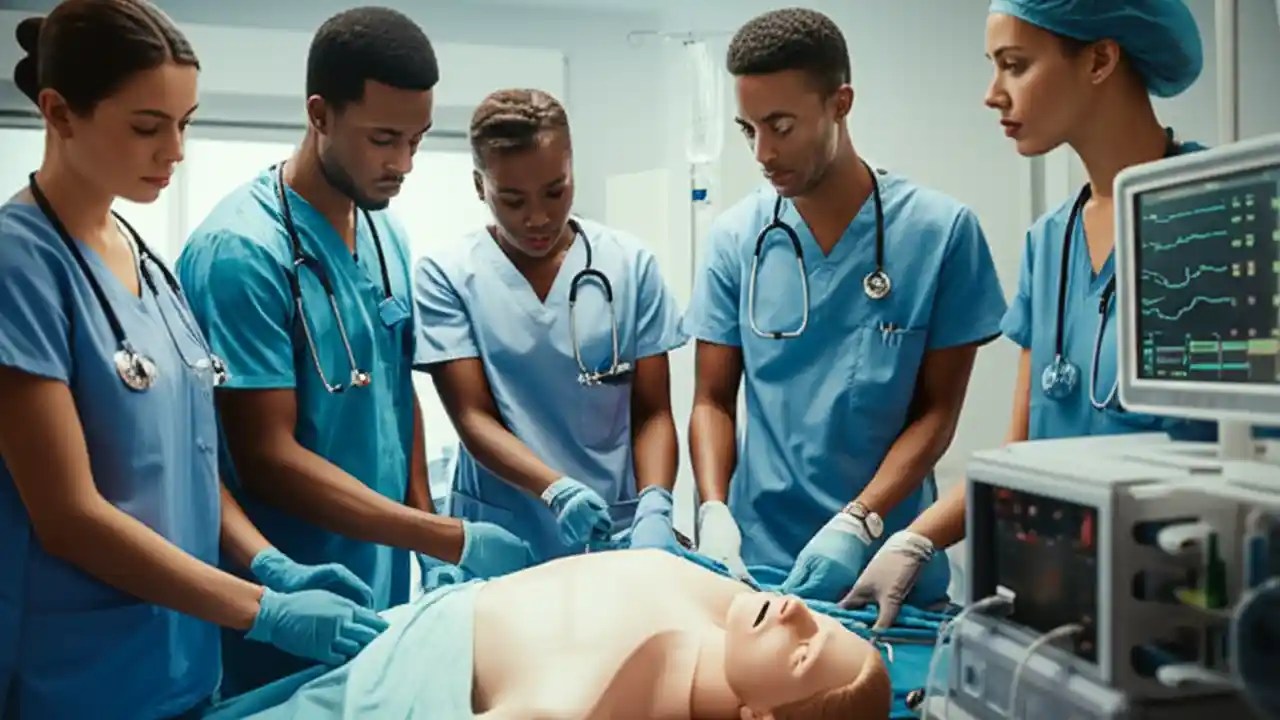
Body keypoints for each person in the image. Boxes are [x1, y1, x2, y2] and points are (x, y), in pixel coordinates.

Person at [0, 2, 391, 718]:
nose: (175, 151)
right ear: (59, 113)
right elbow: (69, 516)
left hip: (184, 671)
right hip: (79, 682)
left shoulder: (151, 264)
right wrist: (263, 609)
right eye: (148, 127)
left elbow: (189, 467)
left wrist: (269, 563)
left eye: (185, 123)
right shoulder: (19, 267)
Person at [175, 8, 534, 696]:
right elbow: (266, 459)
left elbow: (397, 403)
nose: (401, 163)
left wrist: (429, 547)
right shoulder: (242, 252)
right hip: (287, 607)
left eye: (417, 140)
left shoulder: (384, 235)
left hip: (380, 596)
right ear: (320, 114)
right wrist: (444, 535)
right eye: (382, 139)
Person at [843, 0, 1216, 629]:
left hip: (1191, 606)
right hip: (1067, 604)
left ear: (1099, 59)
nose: (993, 94)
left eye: (1014, 66)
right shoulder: (1052, 243)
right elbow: (1019, 455)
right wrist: (910, 539)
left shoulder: (1224, 217)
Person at [685, 8, 1007, 604]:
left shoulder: (940, 233)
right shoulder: (737, 239)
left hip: (889, 567)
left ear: (840, 103)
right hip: (758, 569)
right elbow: (712, 399)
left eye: (781, 125)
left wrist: (860, 522)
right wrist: (712, 509)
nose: (762, 151)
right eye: (747, 128)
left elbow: (937, 413)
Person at [412, 88, 687, 562]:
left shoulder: (629, 264)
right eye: (512, 199)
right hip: (504, 530)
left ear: (572, 170)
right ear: (480, 186)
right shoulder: (448, 275)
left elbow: (652, 412)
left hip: (615, 527)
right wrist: (556, 489)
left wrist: (656, 505)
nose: (538, 218)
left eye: (555, 191)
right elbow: (473, 416)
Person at [203, 547, 892, 720]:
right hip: (400, 627)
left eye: (804, 655)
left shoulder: (589, 697)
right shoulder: (722, 601)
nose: (796, 612)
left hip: (393, 686)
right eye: (823, 618)